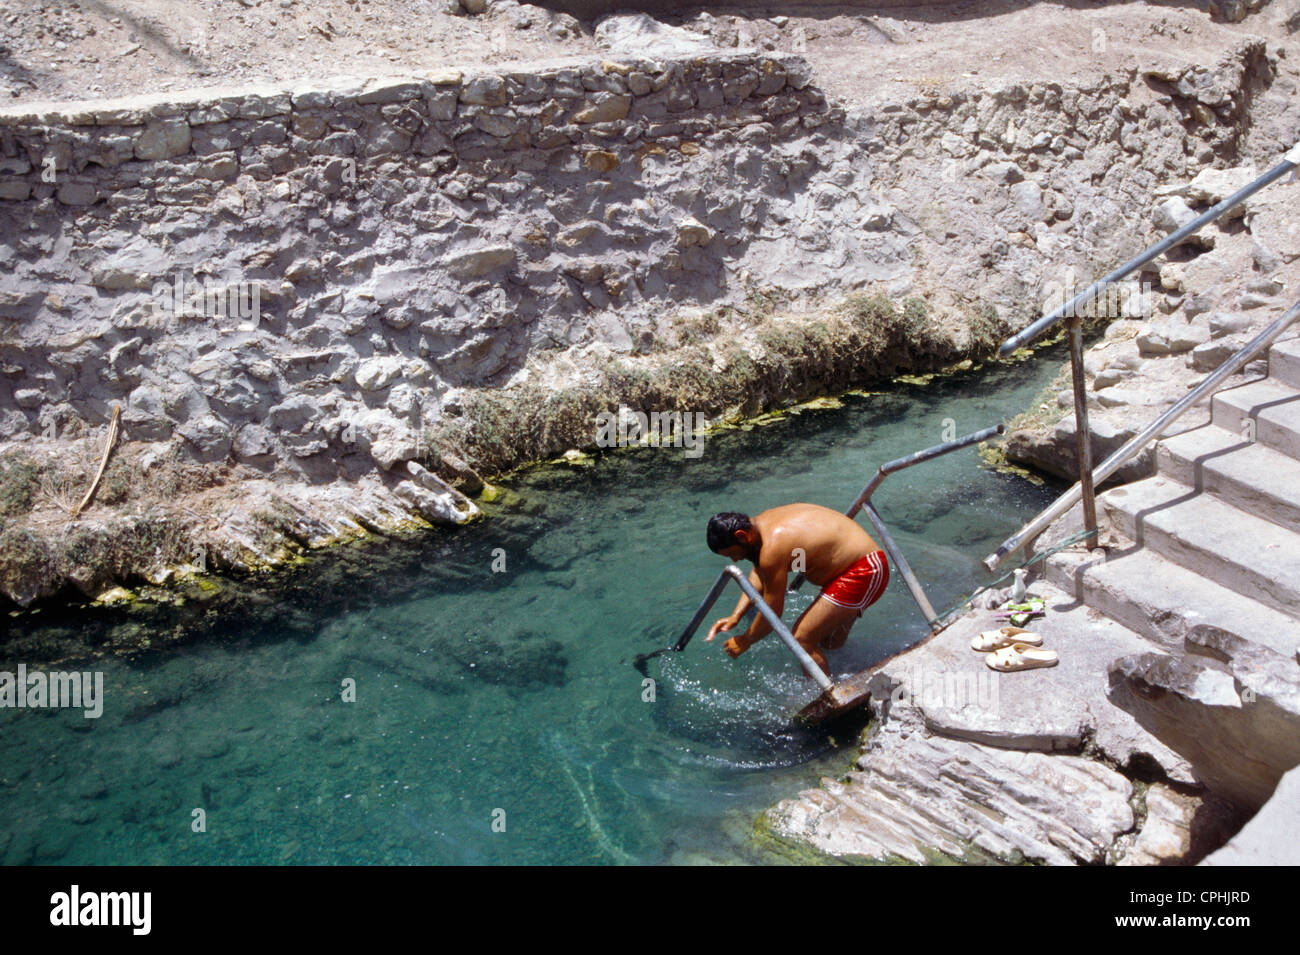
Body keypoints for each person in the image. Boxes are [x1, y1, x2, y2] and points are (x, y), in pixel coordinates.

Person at [704, 504, 889, 679]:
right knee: (830, 644)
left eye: (732, 554)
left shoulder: (772, 547)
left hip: (865, 570)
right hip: (850, 568)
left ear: (742, 536)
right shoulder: (762, 524)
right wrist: (736, 615)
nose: (735, 561)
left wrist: (745, 640)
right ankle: (850, 673)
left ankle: (830, 700)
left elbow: (772, 614)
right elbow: (760, 571)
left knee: (802, 639)